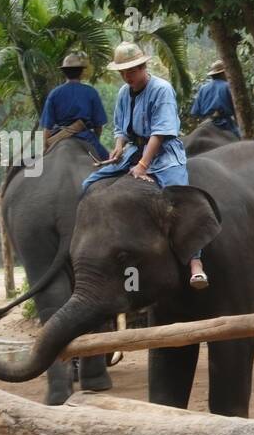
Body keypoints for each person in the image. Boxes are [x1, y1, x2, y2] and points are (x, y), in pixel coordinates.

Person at [81, 41, 208, 289]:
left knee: (180, 200)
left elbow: (160, 134)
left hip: (164, 154)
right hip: (134, 150)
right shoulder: (122, 93)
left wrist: (142, 165)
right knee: (89, 183)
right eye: (122, 72)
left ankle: (195, 262)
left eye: (131, 71)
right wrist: (118, 147)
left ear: (142, 66)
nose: (126, 76)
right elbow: (121, 128)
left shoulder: (162, 90)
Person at [39, 52, 109, 159]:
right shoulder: (91, 92)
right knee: (112, 165)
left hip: (58, 138)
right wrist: (96, 141)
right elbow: (98, 126)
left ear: (64, 72)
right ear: (81, 72)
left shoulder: (54, 93)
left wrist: (45, 148)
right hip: (86, 138)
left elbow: (47, 128)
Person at [190, 60, 240, 136]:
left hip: (206, 123)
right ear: (223, 74)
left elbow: (195, 112)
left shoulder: (203, 88)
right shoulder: (228, 86)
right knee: (241, 139)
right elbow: (236, 110)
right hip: (225, 124)